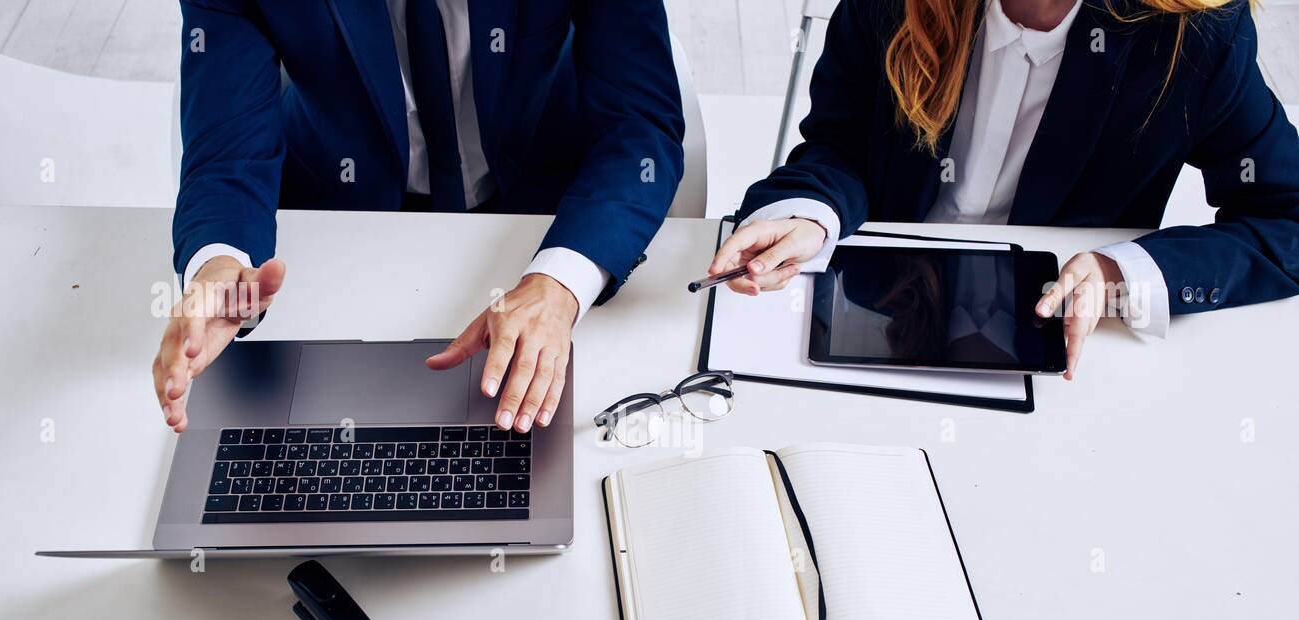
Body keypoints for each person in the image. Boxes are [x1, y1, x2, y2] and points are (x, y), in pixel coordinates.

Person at [154, 0, 684, 432]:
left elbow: (640, 126)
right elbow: (227, 148)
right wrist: (221, 262)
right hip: (341, 223)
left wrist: (562, 281)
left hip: (541, 212)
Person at [710, 0, 1299, 378]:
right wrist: (812, 213)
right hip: (875, 318)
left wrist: (1125, 274)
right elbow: (838, 144)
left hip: (1070, 352)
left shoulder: (1195, 38)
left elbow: (1286, 215)